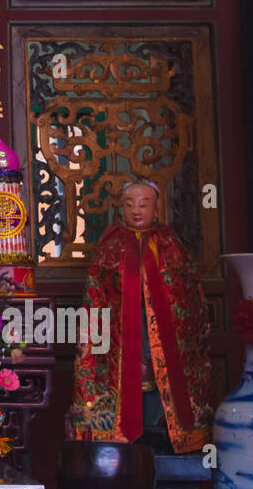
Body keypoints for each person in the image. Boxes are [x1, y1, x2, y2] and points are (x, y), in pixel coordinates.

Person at [67, 180, 214, 452]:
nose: (137, 210)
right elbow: (96, 299)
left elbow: (189, 300)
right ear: (121, 207)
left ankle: (172, 433)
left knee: (163, 384)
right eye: (130, 204)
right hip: (119, 340)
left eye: (144, 204)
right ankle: (113, 433)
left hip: (163, 337)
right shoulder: (110, 247)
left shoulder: (172, 246)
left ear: (156, 208)